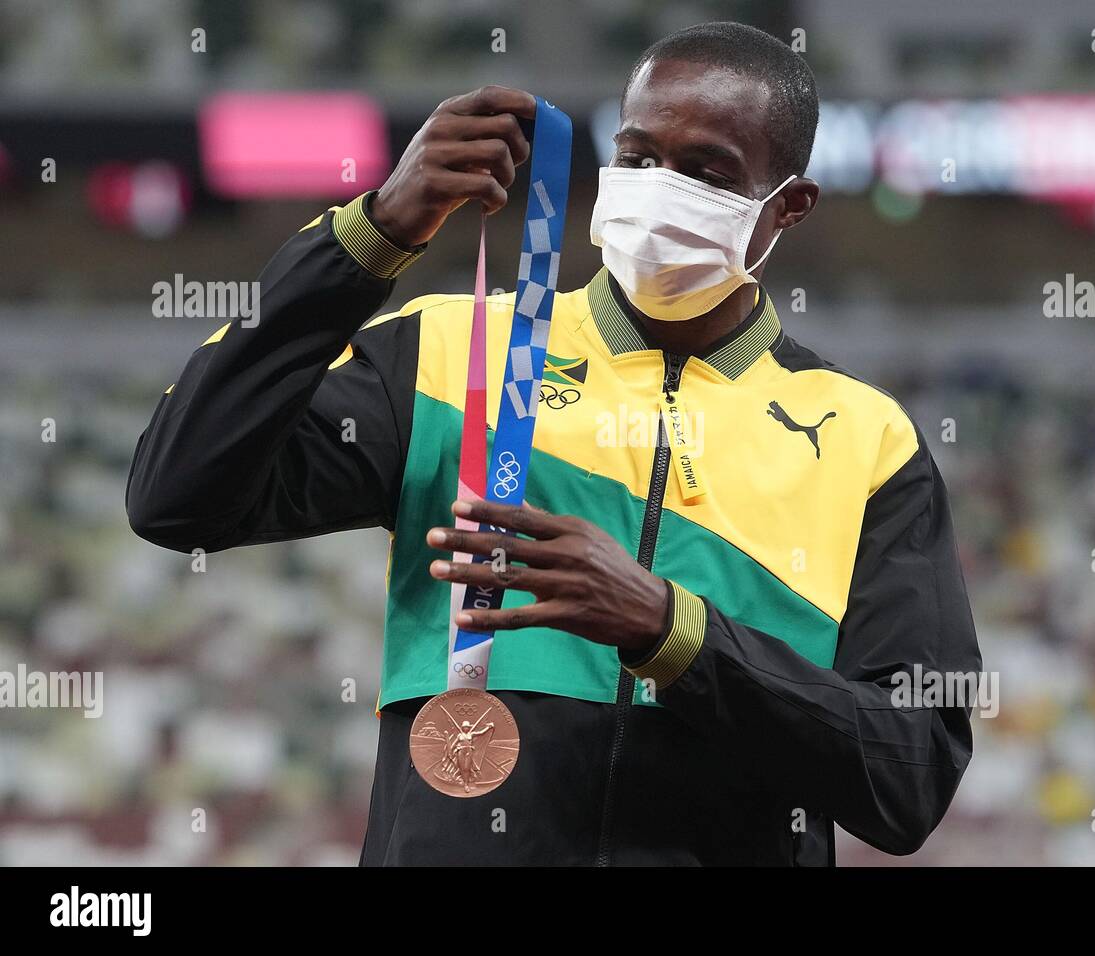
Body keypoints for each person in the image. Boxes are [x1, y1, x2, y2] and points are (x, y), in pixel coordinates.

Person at [127, 21, 981, 866]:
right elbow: (176, 493)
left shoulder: (868, 441)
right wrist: (374, 233)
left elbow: (910, 778)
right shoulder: (446, 354)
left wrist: (670, 630)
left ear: (787, 204)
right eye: (639, 157)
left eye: (705, 172)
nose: (658, 188)